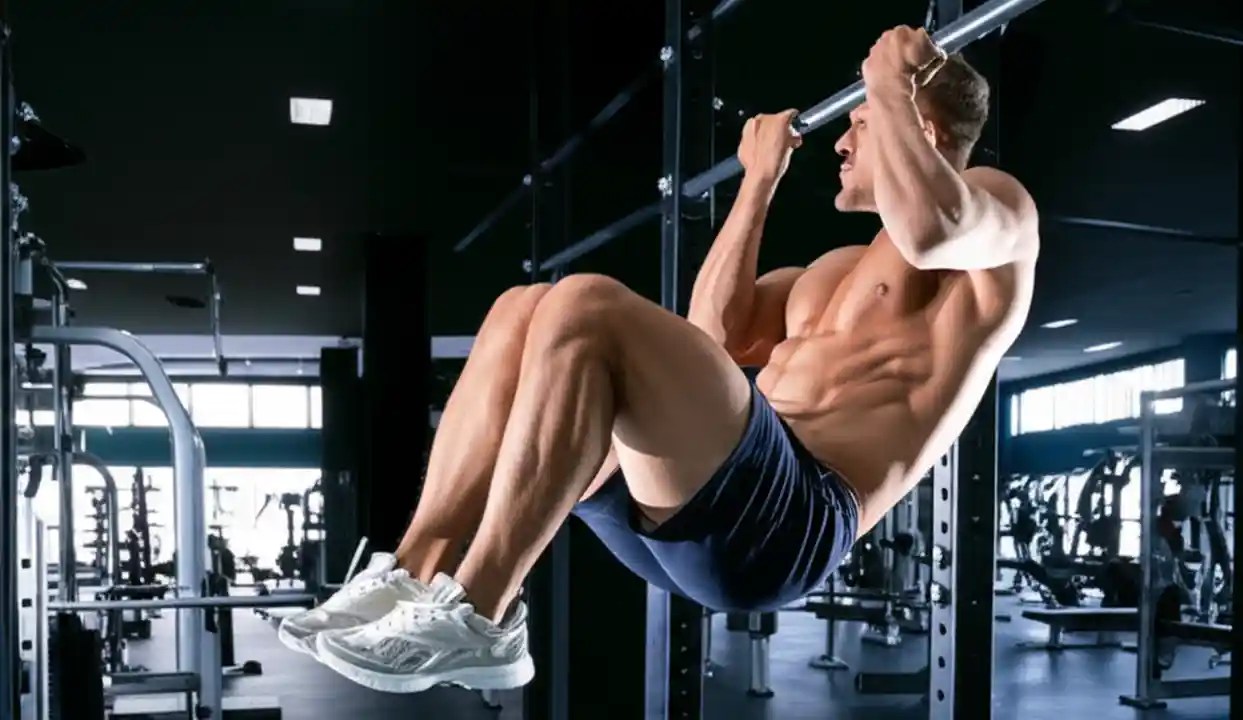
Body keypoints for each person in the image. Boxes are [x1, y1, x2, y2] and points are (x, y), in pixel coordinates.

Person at [277, 25, 1039, 694]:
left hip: (788, 523)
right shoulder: (833, 269)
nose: (841, 141)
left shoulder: (999, 216)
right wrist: (757, 185)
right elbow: (713, 334)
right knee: (521, 309)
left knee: (586, 306)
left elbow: (935, 229)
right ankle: (415, 571)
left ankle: (485, 609)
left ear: (925, 131)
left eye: (862, 123)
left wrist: (887, 82)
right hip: (692, 505)